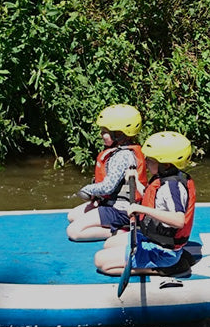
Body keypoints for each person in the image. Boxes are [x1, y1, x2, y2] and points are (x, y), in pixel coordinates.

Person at [94, 131, 195, 276]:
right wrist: (134, 180)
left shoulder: (172, 187)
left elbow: (179, 221)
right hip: (153, 238)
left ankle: (165, 268)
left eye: (151, 160)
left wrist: (141, 209)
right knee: (108, 244)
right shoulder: (164, 176)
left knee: (101, 262)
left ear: (165, 164)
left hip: (163, 251)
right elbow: (152, 198)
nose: (146, 161)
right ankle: (175, 258)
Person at [67, 104, 147, 241]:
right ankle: (113, 225)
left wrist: (87, 190)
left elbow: (108, 187)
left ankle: (122, 232)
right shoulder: (117, 151)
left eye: (105, 131)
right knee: (72, 216)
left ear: (119, 134)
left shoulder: (123, 156)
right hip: (110, 203)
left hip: (121, 210)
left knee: (73, 232)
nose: (101, 134)